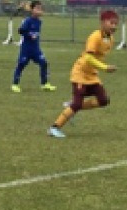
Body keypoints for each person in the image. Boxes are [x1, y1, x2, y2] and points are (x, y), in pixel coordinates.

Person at [47, 10, 119, 139]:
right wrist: (105, 67)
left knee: (103, 100)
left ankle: (71, 107)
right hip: (80, 73)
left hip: (92, 74)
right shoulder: (95, 37)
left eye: (115, 23)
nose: (114, 26)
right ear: (102, 23)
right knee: (77, 103)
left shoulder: (110, 39)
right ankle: (54, 127)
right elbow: (88, 58)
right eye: (111, 23)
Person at [12, 0, 56, 93]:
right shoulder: (28, 21)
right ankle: (15, 84)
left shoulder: (39, 22)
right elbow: (20, 30)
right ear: (32, 10)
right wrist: (29, 34)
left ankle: (44, 84)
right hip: (26, 49)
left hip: (36, 49)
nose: (40, 10)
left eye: (40, 8)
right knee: (21, 65)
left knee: (44, 63)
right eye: (37, 8)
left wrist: (33, 36)